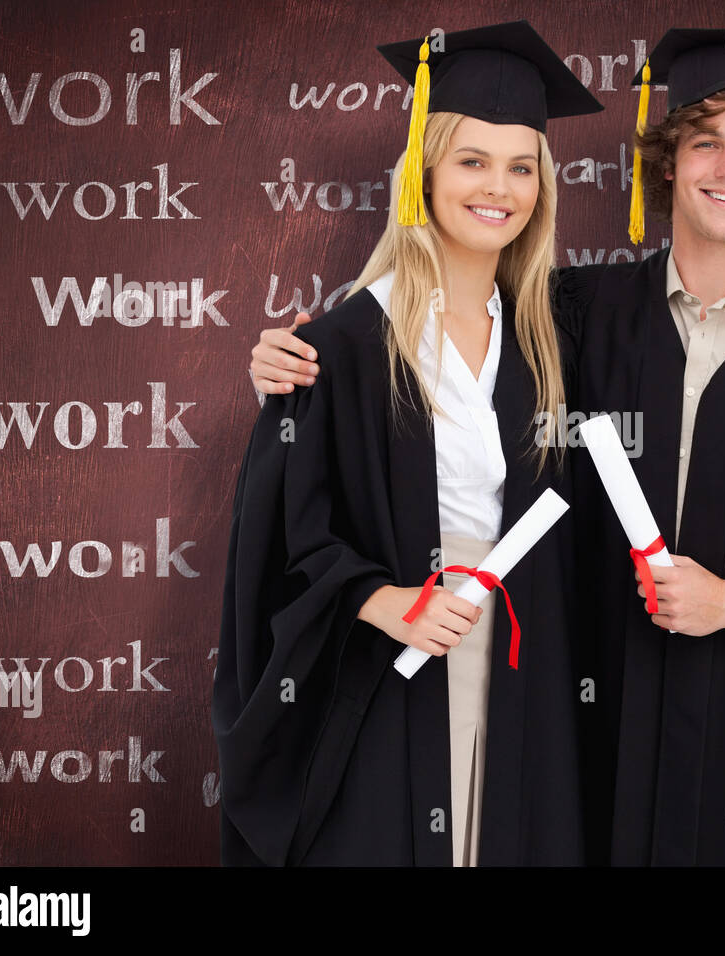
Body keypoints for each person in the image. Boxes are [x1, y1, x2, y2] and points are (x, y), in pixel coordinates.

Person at [251, 27, 725, 867]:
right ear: (665, 164)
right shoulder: (572, 321)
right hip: (591, 739)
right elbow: (437, 319)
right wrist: (297, 359)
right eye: (704, 143)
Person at [213, 20, 602, 867]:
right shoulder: (343, 344)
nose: (498, 187)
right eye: (471, 160)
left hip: (525, 668)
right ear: (423, 172)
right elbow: (279, 536)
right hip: (395, 671)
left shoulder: (551, 337)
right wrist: (377, 599)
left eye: (520, 166)